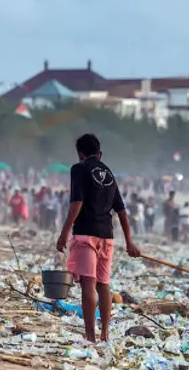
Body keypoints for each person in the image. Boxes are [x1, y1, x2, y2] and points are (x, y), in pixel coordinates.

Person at [56, 133, 141, 343]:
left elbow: (77, 203)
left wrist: (64, 232)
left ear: (80, 154)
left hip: (86, 234)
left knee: (88, 284)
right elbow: (121, 211)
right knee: (103, 285)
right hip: (107, 237)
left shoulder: (79, 168)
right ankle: (104, 334)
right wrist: (129, 241)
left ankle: (90, 336)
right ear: (100, 154)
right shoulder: (109, 174)